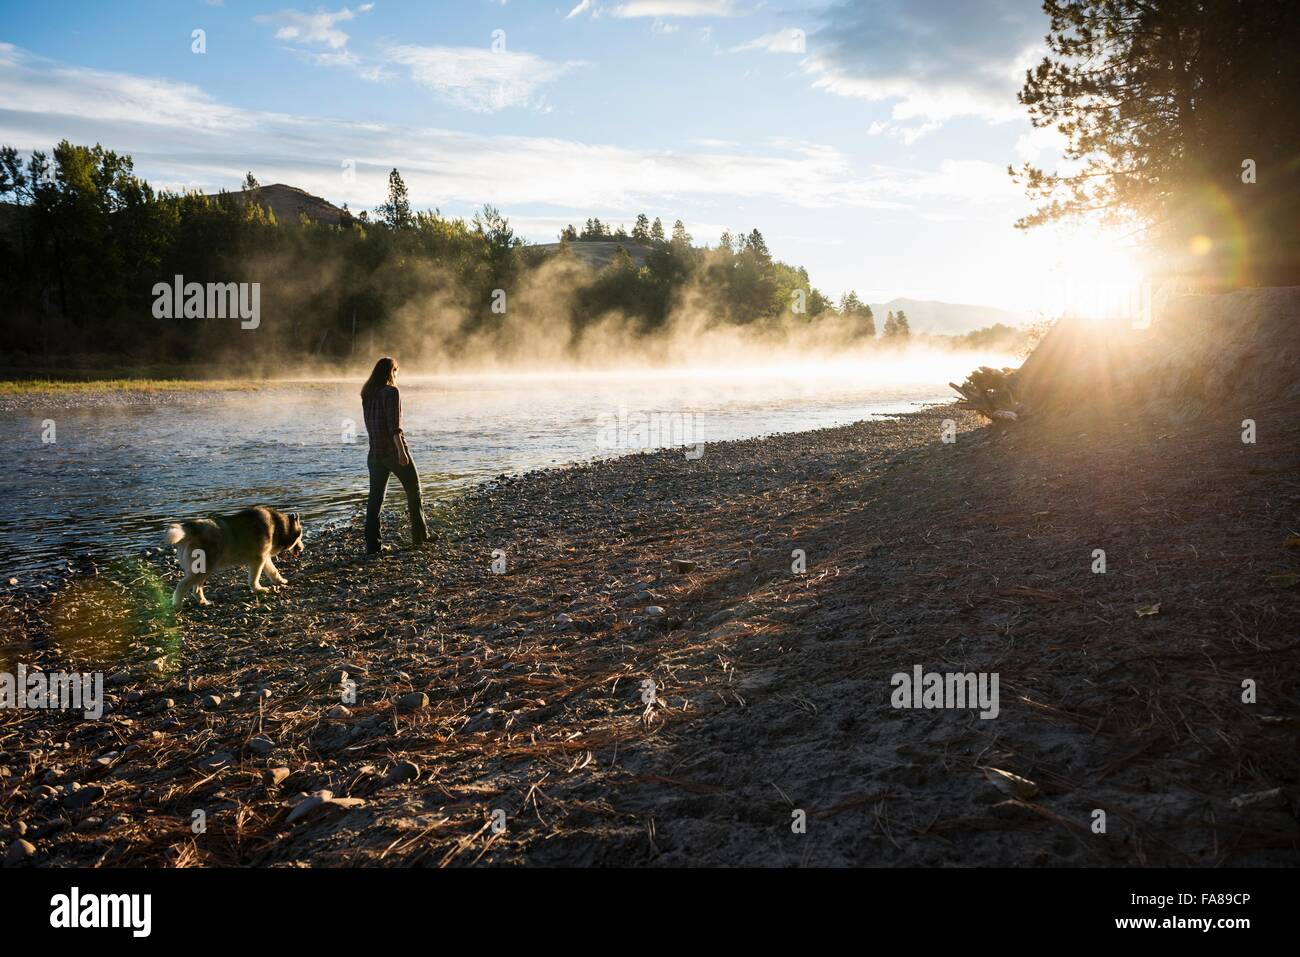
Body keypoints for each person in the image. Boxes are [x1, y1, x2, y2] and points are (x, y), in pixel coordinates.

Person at [360, 357, 428, 553]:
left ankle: (373, 545)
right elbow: (394, 426)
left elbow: (372, 426)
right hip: (392, 451)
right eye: (396, 371)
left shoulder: (367, 393)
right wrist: (401, 451)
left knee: (375, 500)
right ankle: (419, 538)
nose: (397, 375)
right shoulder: (391, 392)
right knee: (414, 491)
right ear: (392, 372)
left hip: (374, 454)